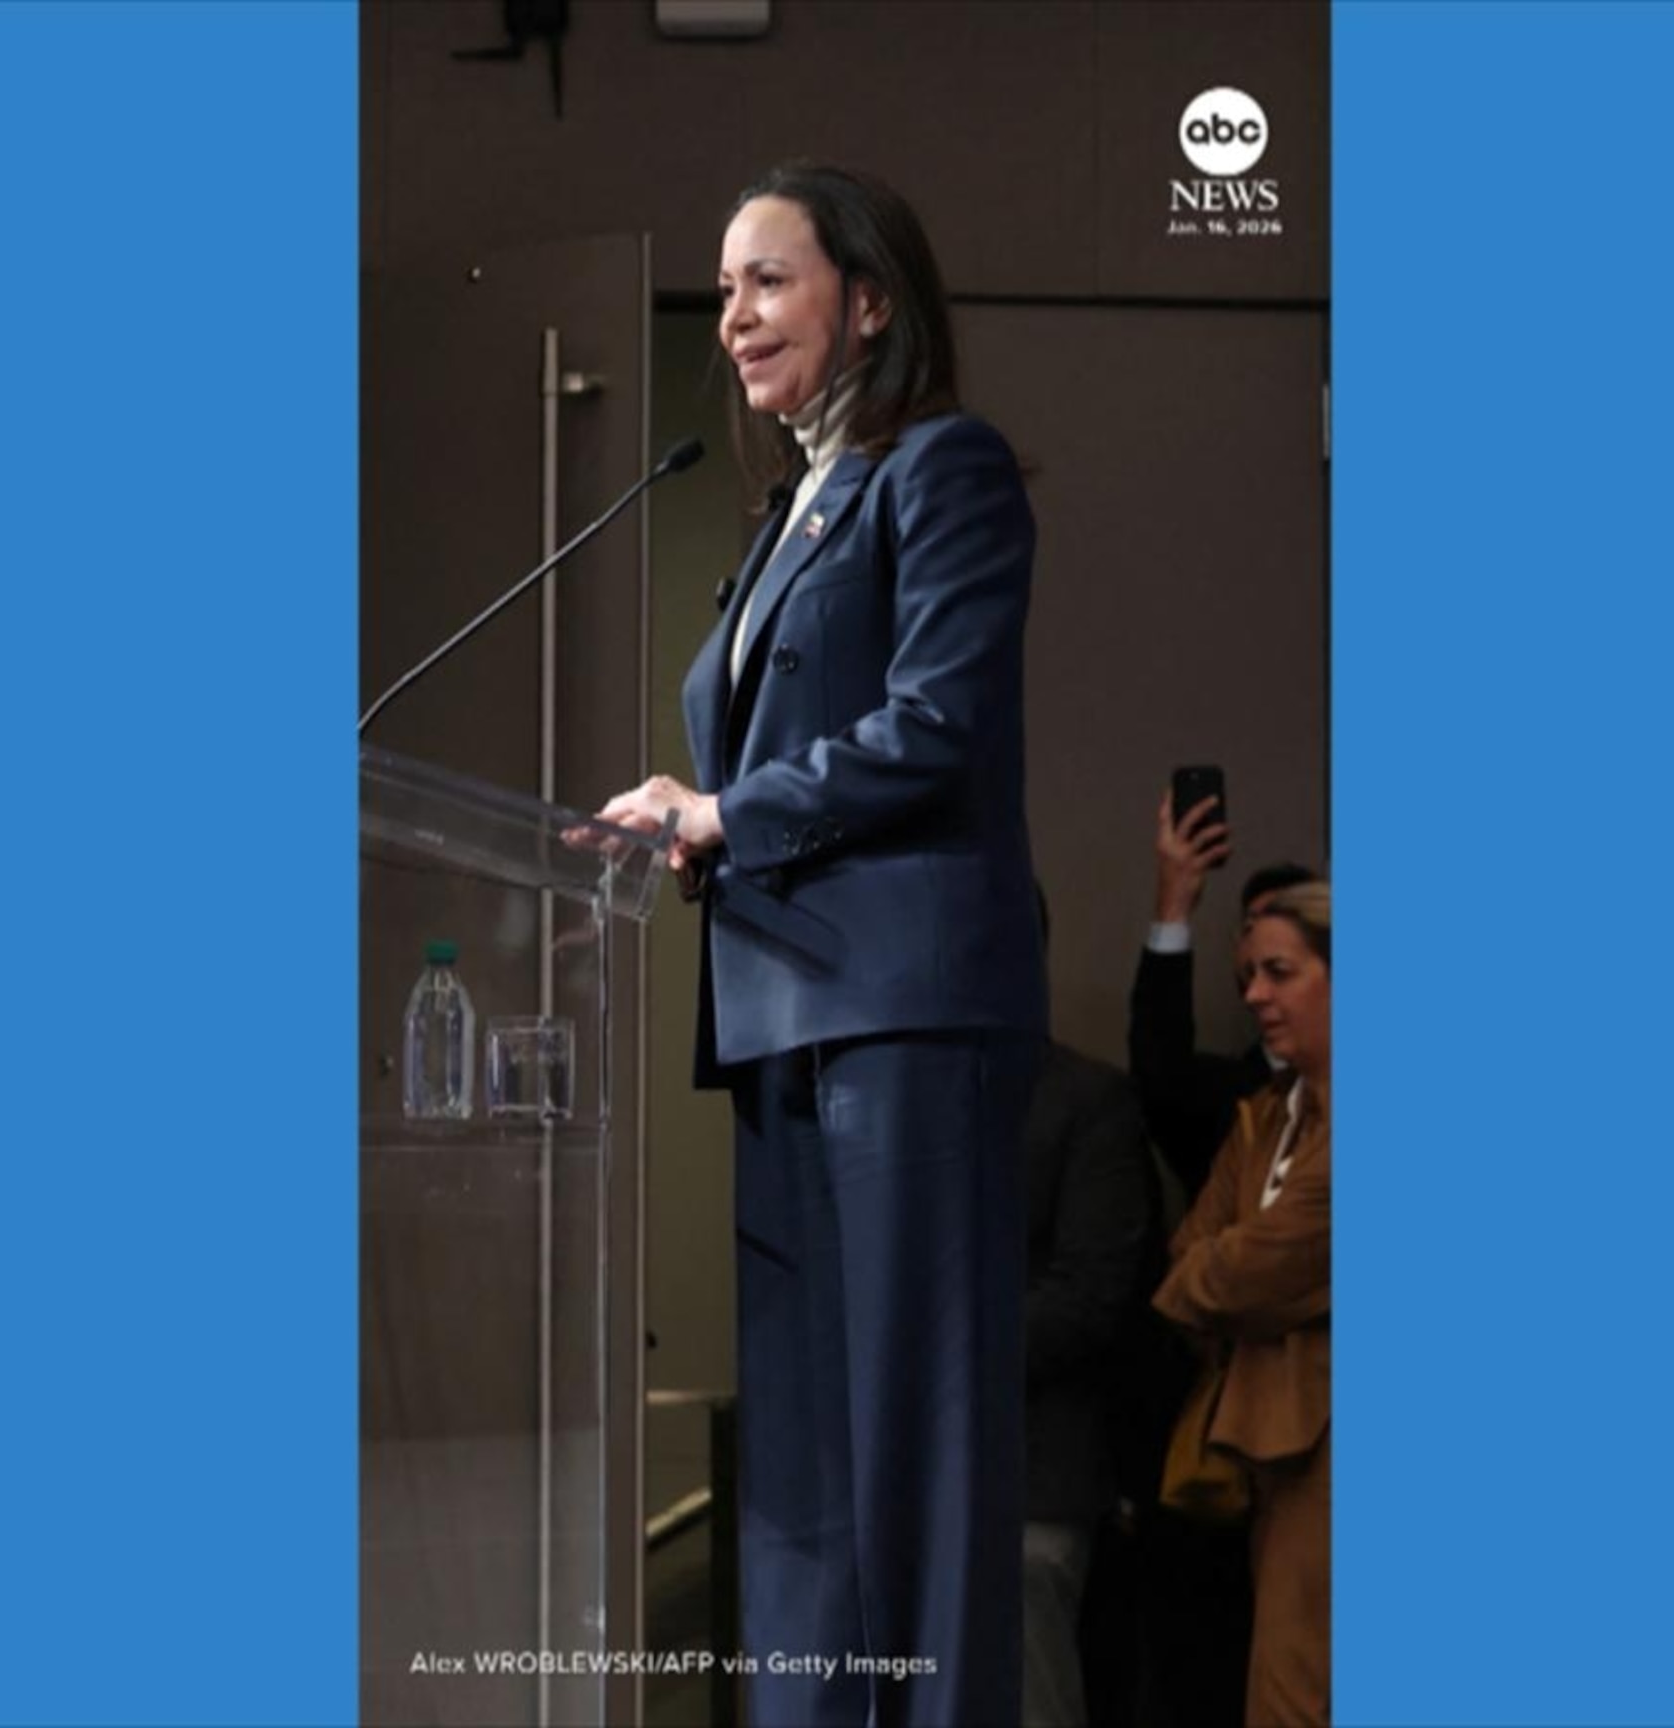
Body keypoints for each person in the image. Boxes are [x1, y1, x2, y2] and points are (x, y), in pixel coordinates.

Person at [597, 161, 1044, 1728]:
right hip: (785, 1025)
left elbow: (937, 724)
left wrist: (726, 815)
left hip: (905, 1024)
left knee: (912, 1470)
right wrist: (690, 808)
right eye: (722, 290)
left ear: (868, 299)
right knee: (802, 1484)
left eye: (765, 281)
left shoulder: (944, 469)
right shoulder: (791, 513)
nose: (732, 318)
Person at [1153, 882, 1332, 1728]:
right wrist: (1241, 1283)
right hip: (1270, 1448)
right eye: (1247, 976)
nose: (1256, 994)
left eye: (1279, 971)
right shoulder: (1268, 1116)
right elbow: (1190, 1262)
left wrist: (1234, 1280)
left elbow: (1249, 1269)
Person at [1017, 897, 1160, 1728]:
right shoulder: (904, 1103)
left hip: (1036, 1479)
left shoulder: (1087, 1100)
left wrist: (936, 1360)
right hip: (910, 1478)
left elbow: (1091, 1297)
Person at [1129, 783, 1314, 1190]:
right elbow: (1160, 1076)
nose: (1260, 987)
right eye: (1252, 928)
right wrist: (1173, 906)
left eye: (1282, 962)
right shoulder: (1231, 1100)